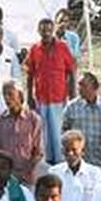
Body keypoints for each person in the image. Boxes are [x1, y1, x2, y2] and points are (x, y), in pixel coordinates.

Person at [25, 18, 76, 165]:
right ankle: (46, 162)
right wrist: (29, 96)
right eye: (43, 30)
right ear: (38, 31)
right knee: (43, 132)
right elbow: (30, 74)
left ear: (53, 30)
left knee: (58, 131)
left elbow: (71, 72)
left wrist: (72, 95)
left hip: (58, 97)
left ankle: (60, 162)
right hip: (41, 98)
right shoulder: (34, 49)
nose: (46, 33)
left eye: (48, 30)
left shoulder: (62, 47)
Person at [62, 72, 101, 168]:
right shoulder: (72, 107)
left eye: (83, 85)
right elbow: (65, 131)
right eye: (79, 85)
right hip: (79, 162)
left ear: (94, 87)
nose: (79, 89)